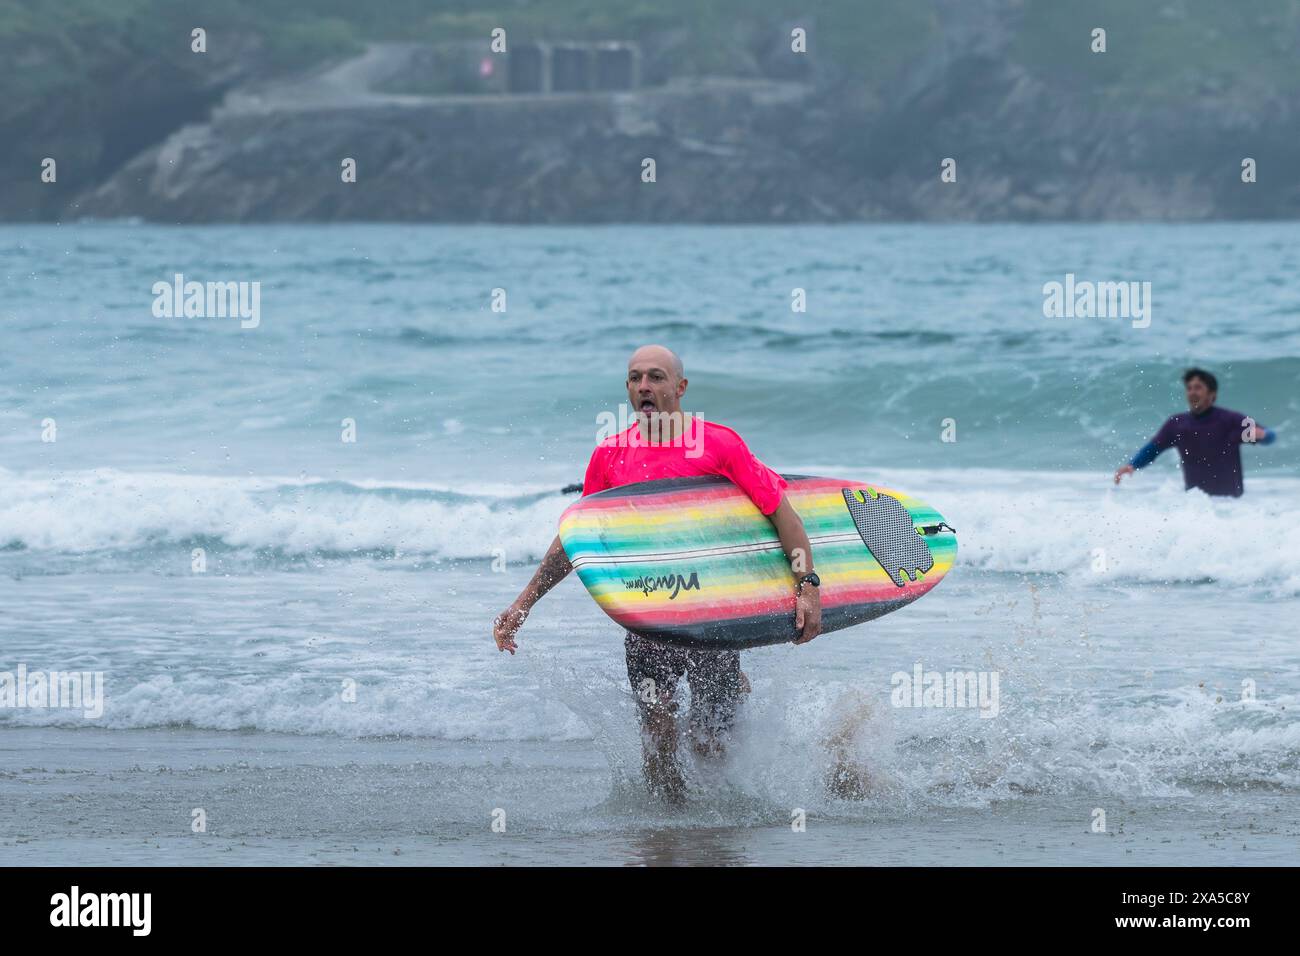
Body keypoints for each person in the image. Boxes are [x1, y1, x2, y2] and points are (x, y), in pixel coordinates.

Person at [492, 345, 822, 803]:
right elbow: (577, 539)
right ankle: (666, 832)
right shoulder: (610, 456)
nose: (644, 386)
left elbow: (780, 515)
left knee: (711, 744)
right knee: (658, 737)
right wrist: (523, 603)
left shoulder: (719, 444)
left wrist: (807, 586)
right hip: (649, 618)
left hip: (710, 616)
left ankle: (717, 828)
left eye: (656, 377)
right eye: (634, 378)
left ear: (680, 387)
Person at [1114, 368, 1275, 497]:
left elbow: (1269, 436)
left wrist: (1264, 435)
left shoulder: (1230, 420)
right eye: (1189, 388)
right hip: (1196, 505)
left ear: (1212, 394)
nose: (1192, 392)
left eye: (1198, 388)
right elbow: (1153, 449)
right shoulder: (1177, 424)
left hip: (1232, 505)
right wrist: (1132, 465)